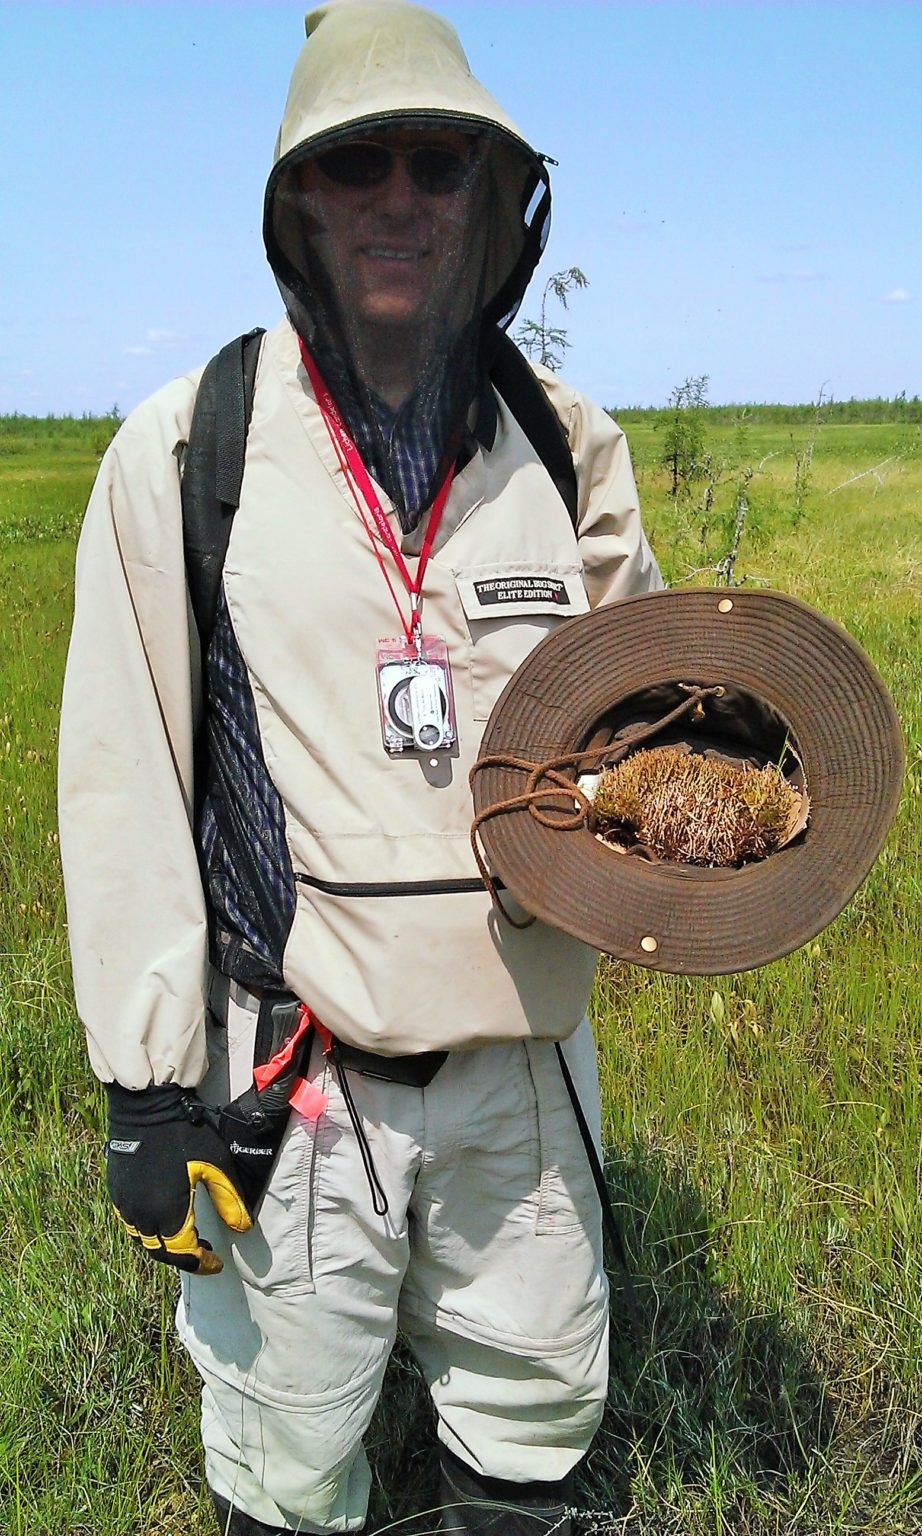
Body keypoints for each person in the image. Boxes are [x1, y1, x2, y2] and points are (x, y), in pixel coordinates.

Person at [58, 3, 662, 1532]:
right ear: (295, 208)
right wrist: (145, 1093)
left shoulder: (565, 445)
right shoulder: (192, 444)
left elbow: (651, 727)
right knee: (287, 1451)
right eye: (358, 166)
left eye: (440, 164)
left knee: (534, 1416)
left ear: (490, 201)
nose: (401, 198)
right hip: (291, 1078)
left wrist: (729, 809)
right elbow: (121, 771)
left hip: (524, 1070)